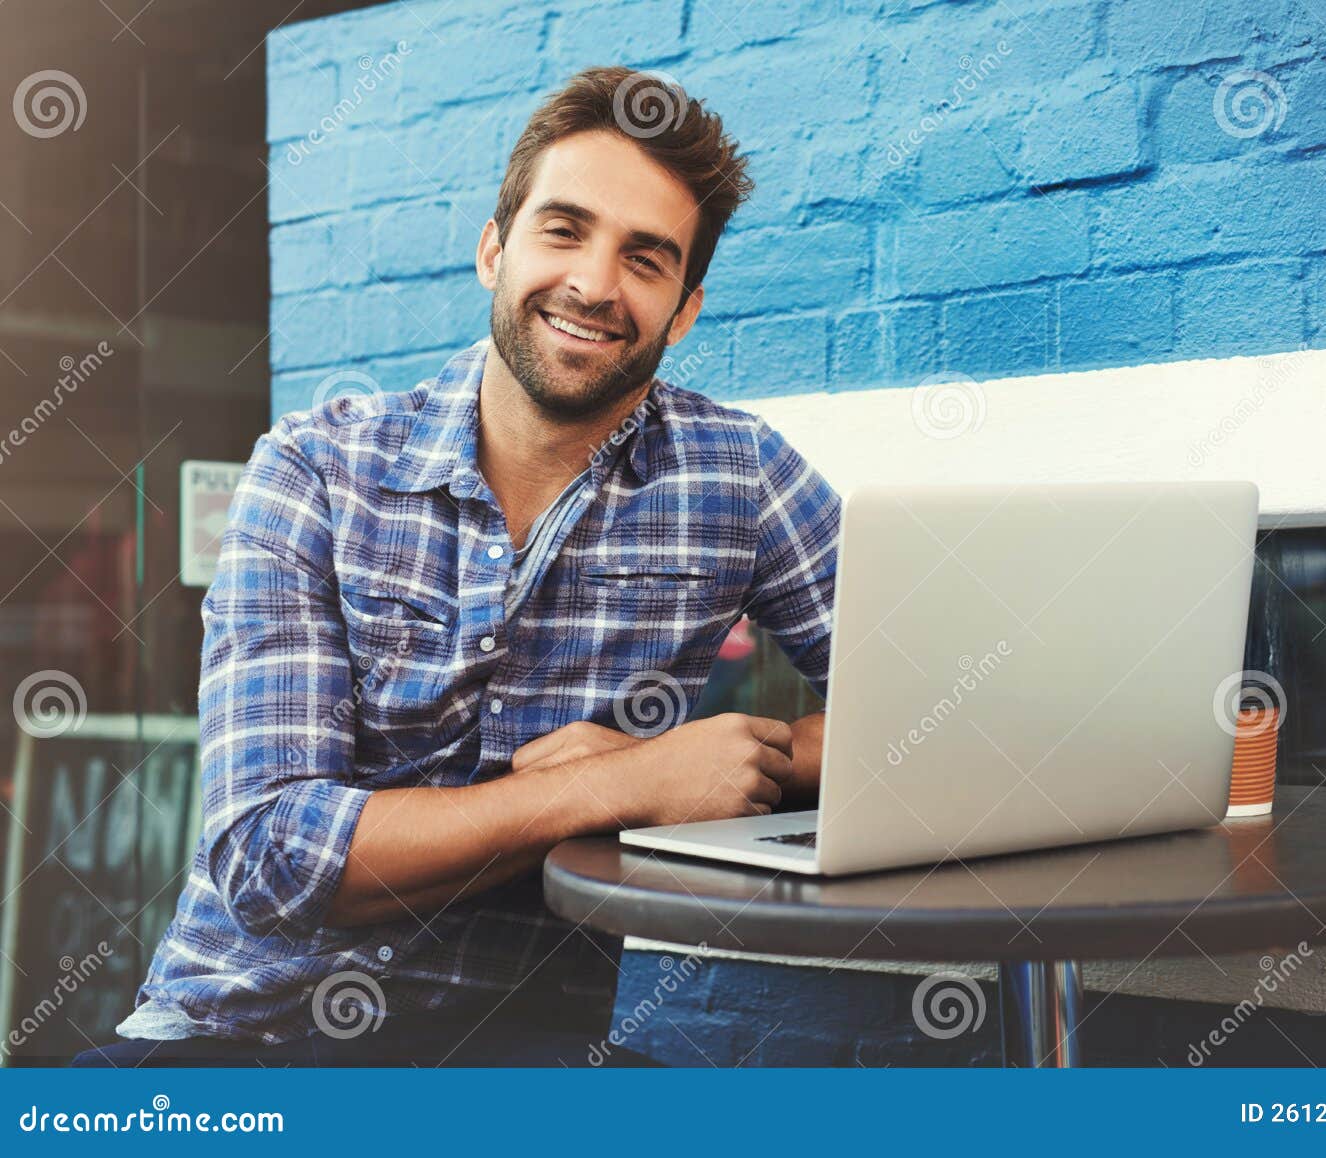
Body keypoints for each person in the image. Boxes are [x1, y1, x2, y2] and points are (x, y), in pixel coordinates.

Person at [75, 65, 838, 1067]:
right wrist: (619, 785)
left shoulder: (740, 477)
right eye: (563, 230)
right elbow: (271, 854)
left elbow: (943, 712)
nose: (595, 284)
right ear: (494, 247)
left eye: (645, 259)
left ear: (684, 310)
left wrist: (755, 757)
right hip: (238, 1037)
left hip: (524, 1047)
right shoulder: (313, 468)